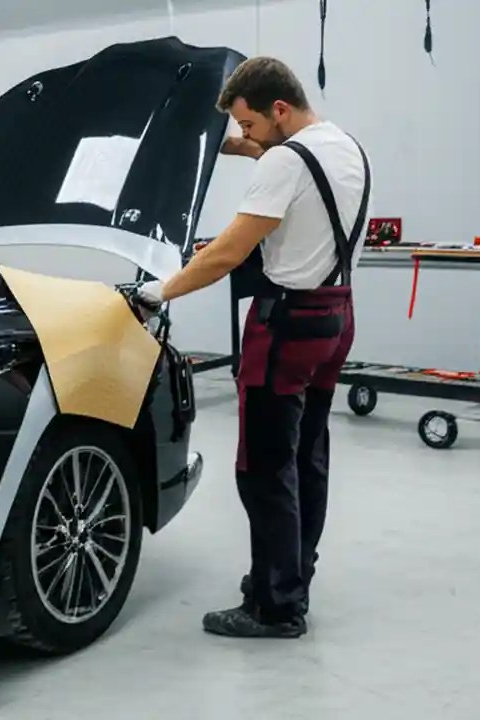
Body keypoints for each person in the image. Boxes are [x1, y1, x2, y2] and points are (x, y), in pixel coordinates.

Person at [136, 56, 373, 638]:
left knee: (263, 468)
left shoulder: (285, 164)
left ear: (280, 110)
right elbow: (288, 165)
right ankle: (295, 577)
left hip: (286, 328)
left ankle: (274, 607)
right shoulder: (343, 146)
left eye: (249, 126)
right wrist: (239, 147)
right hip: (336, 320)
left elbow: (224, 256)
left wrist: (156, 291)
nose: (245, 137)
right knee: (306, 456)